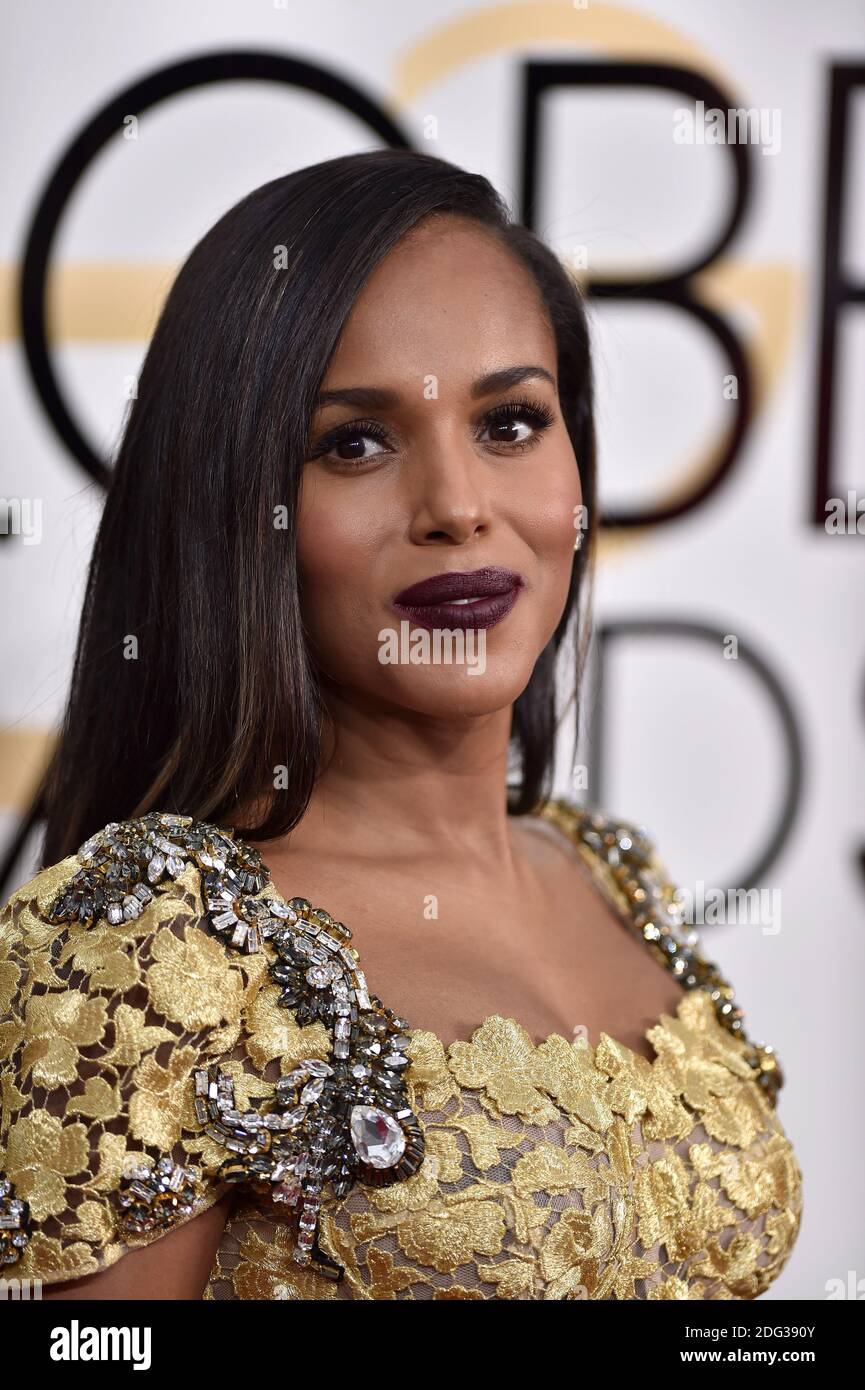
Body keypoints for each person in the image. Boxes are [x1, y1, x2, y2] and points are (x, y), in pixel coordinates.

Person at [0, 150, 801, 1300]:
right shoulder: (148, 950)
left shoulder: (609, 873)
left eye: (512, 422)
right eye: (354, 443)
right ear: (240, 505)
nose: (458, 505)